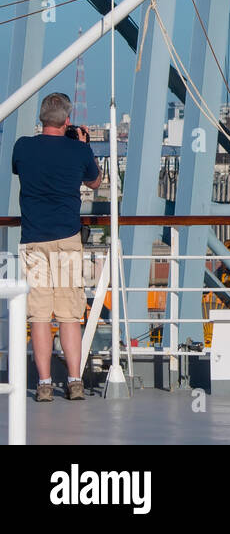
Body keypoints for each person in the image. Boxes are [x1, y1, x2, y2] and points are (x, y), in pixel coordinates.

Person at [12, 93, 101, 402]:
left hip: (34, 239)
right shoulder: (78, 150)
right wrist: (83, 144)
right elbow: (95, 182)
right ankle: (75, 382)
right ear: (67, 120)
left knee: (38, 315)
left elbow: (17, 168)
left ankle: (45, 384)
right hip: (66, 239)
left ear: (41, 119)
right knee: (68, 314)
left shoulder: (23, 147)